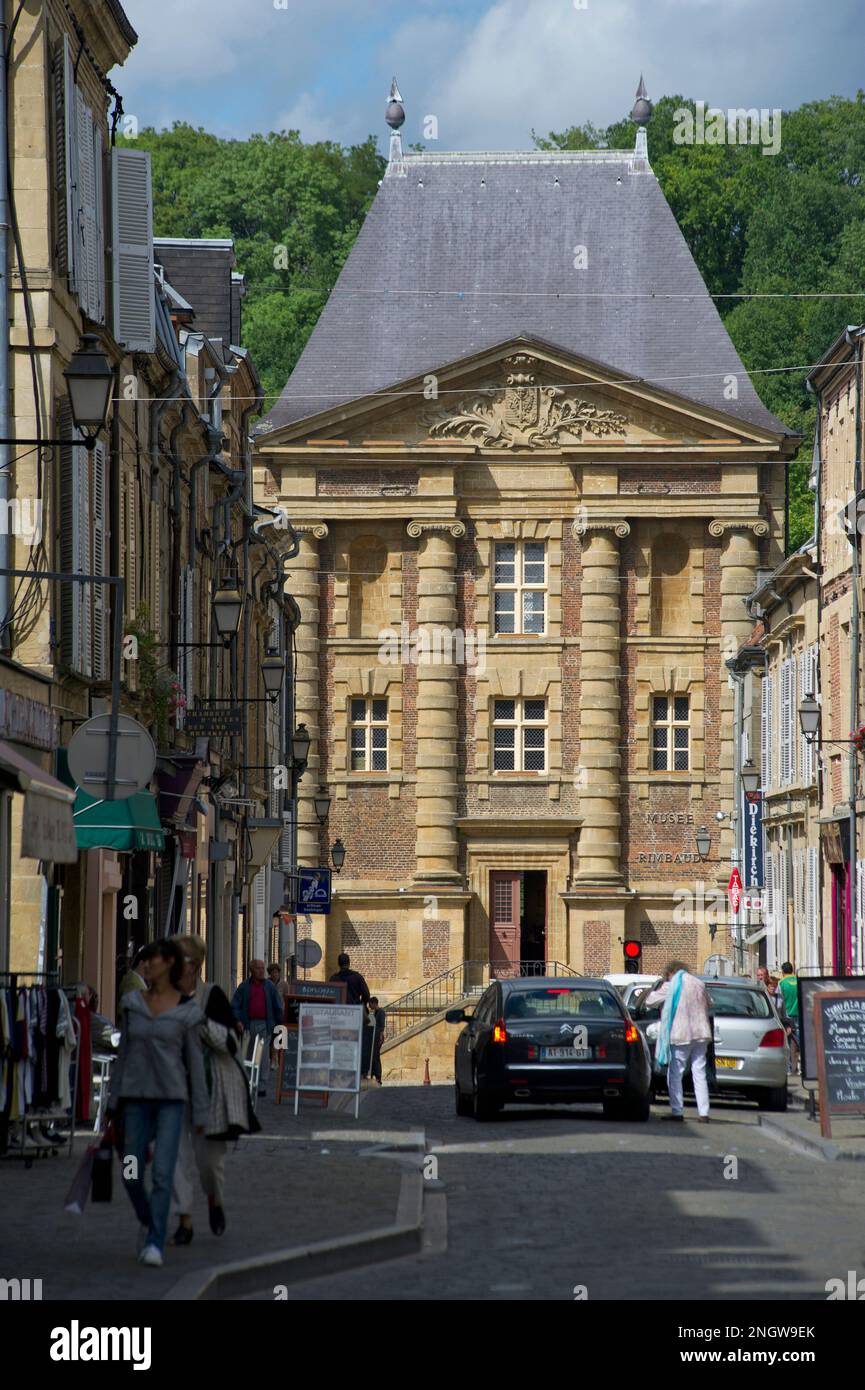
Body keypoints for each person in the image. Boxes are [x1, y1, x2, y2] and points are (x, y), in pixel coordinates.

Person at [107, 938, 208, 1268]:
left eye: (153, 960)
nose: (146, 965)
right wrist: (113, 1100)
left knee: (164, 1172)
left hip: (171, 1101)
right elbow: (122, 1056)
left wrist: (202, 1111)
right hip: (135, 1099)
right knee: (132, 1173)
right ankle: (152, 1220)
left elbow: (193, 1063)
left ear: (169, 964)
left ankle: (154, 1243)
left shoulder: (186, 1011)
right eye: (145, 960)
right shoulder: (132, 1003)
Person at [170, 936, 261, 1245]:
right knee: (173, 1158)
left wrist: (200, 1023)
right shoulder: (161, 997)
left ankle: (215, 1198)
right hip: (172, 1090)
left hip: (210, 1091)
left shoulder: (212, 996)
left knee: (209, 1163)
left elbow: (231, 1044)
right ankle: (184, 1220)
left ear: (193, 966)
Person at [645, 960, 713, 1124]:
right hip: (701, 1032)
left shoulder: (672, 985)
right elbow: (710, 1003)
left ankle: (677, 1110)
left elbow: (649, 1001)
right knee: (699, 1072)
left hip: (681, 1032)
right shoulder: (699, 983)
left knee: (676, 1073)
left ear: (671, 973)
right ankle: (703, 1112)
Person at [231, 959, 284, 1097]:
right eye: (258, 968)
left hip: (265, 1025)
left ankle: (262, 1085)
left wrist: (280, 1023)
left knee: (263, 1055)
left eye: (262, 968)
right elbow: (235, 1005)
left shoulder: (269, 986)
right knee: (248, 1055)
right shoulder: (244, 987)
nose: (261, 971)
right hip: (248, 1024)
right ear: (251, 970)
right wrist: (237, 1021)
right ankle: (248, 1082)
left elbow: (277, 1005)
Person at [777, 962, 800, 1071]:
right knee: (799, 1039)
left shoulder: (782, 983)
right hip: (798, 1012)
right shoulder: (798, 980)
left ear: (782, 971)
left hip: (787, 1014)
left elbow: (779, 999)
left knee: (788, 1042)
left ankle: (790, 1067)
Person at [368, 997, 386, 1084]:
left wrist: (381, 1036)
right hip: (375, 1036)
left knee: (376, 1056)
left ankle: (378, 1076)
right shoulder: (375, 1012)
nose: (369, 1006)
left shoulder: (381, 1012)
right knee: (373, 1056)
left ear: (374, 1003)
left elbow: (382, 1025)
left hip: (378, 1036)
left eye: (370, 1004)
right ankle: (373, 1074)